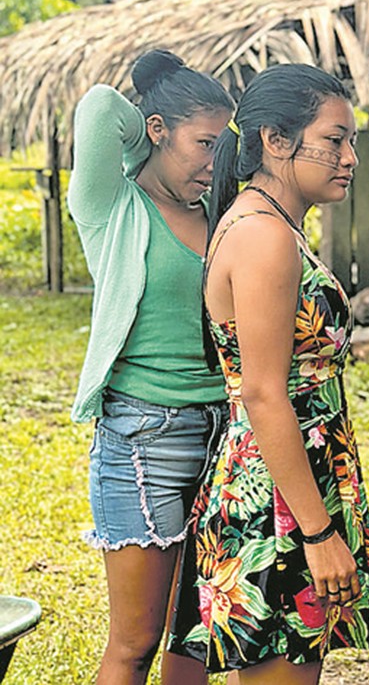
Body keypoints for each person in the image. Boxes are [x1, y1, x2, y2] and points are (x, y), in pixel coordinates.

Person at [167, 63, 369, 684]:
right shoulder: (264, 236)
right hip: (279, 497)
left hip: (287, 482)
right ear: (274, 140)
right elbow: (265, 395)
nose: (349, 157)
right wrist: (317, 533)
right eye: (335, 139)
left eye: (351, 142)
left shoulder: (267, 222)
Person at [69, 49, 235, 684]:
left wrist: (191, 136)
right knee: (137, 639)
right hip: (143, 439)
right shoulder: (112, 207)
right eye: (204, 142)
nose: (215, 161)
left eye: (226, 146)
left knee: (194, 632)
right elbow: (99, 108)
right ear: (158, 131)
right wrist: (152, 113)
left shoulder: (221, 216)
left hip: (224, 436)